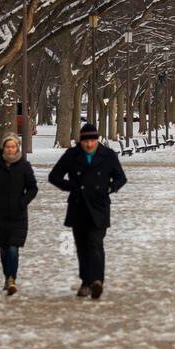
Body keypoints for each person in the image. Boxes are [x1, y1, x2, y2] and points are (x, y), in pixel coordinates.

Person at [48, 122, 127, 300]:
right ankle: (85, 281)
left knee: (95, 244)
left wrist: (110, 187)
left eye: (92, 141)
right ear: (80, 141)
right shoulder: (72, 155)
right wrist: (71, 187)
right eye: (86, 142)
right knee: (82, 247)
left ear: (97, 140)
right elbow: (54, 176)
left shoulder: (108, 155)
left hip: (99, 206)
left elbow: (121, 177)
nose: (89, 145)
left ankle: (97, 281)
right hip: (78, 206)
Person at [0, 134, 38, 296]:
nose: (10, 149)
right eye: (8, 146)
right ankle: (7, 277)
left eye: (13, 146)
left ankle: (12, 279)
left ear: (17, 148)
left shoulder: (24, 166)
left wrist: (23, 202)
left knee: (13, 248)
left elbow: (32, 188)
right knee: (4, 248)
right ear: (3, 148)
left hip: (18, 215)